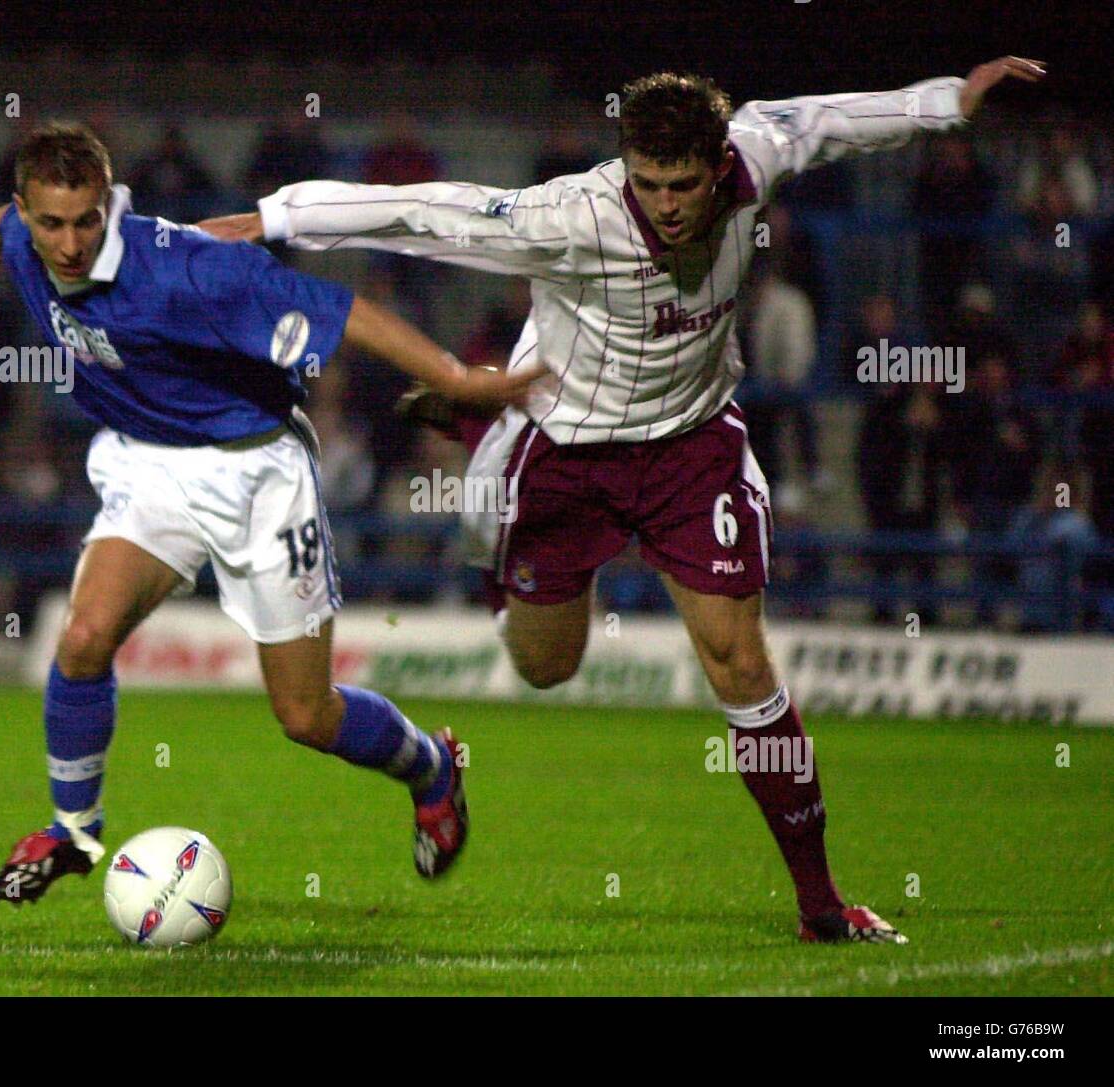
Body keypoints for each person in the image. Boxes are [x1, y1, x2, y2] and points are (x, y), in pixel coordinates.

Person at [200, 56, 1046, 944]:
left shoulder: (753, 157)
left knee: (741, 665)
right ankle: (491, 443)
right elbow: (420, 209)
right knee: (546, 666)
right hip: (569, 455)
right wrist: (271, 219)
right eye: (648, 183)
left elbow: (829, 120)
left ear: (717, 166)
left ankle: (820, 904)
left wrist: (946, 101)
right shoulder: (572, 217)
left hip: (692, 449)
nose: (668, 204)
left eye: (683, 184)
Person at [0, 121, 538, 908]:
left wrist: (457, 375)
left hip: (257, 473)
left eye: (87, 221)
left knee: (306, 714)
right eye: (51, 223)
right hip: (149, 464)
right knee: (82, 637)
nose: (70, 242)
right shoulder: (22, 231)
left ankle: (430, 766)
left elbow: (342, 310)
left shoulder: (187, 271)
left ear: (110, 205)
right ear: (27, 209)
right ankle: (73, 832)